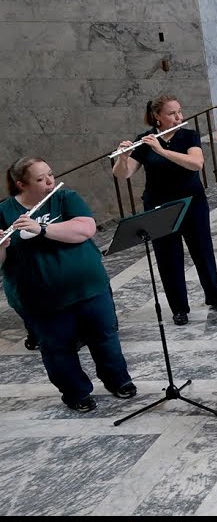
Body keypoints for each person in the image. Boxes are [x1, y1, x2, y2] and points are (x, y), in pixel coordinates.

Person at [1, 157, 136, 412]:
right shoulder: (4, 211)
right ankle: (76, 393)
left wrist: (41, 228)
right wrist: (2, 245)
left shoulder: (65, 198)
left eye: (50, 174)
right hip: (41, 299)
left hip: (89, 287)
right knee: (57, 349)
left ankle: (118, 380)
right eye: (40, 179)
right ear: (21, 184)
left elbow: (85, 230)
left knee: (105, 338)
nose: (49, 181)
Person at [112, 94, 217, 326]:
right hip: (159, 206)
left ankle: (214, 296)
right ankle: (179, 308)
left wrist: (162, 151)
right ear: (157, 116)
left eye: (179, 112)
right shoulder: (144, 140)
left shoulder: (188, 135)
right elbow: (124, 174)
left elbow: (196, 163)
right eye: (172, 113)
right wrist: (123, 157)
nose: (178, 117)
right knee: (167, 258)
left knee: (202, 251)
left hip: (192, 203)